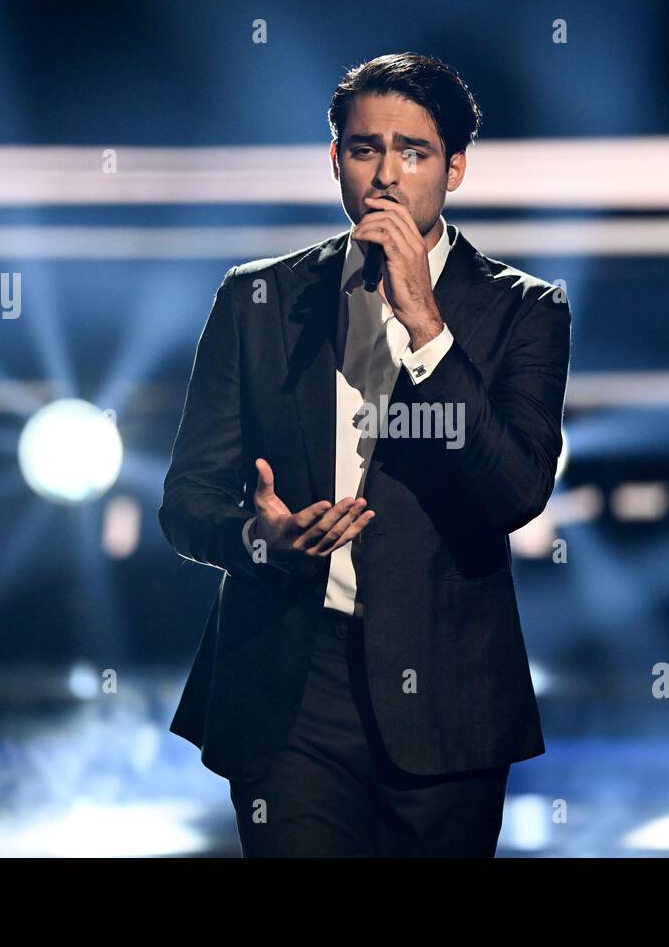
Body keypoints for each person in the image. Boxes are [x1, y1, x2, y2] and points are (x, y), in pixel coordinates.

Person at [158, 52, 571, 857]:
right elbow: (187, 499)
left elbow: (516, 491)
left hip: (446, 691)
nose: (386, 175)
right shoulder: (259, 299)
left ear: (454, 169)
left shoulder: (524, 311)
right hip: (290, 681)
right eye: (363, 148)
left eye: (413, 152)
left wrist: (425, 325)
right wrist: (258, 537)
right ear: (337, 161)